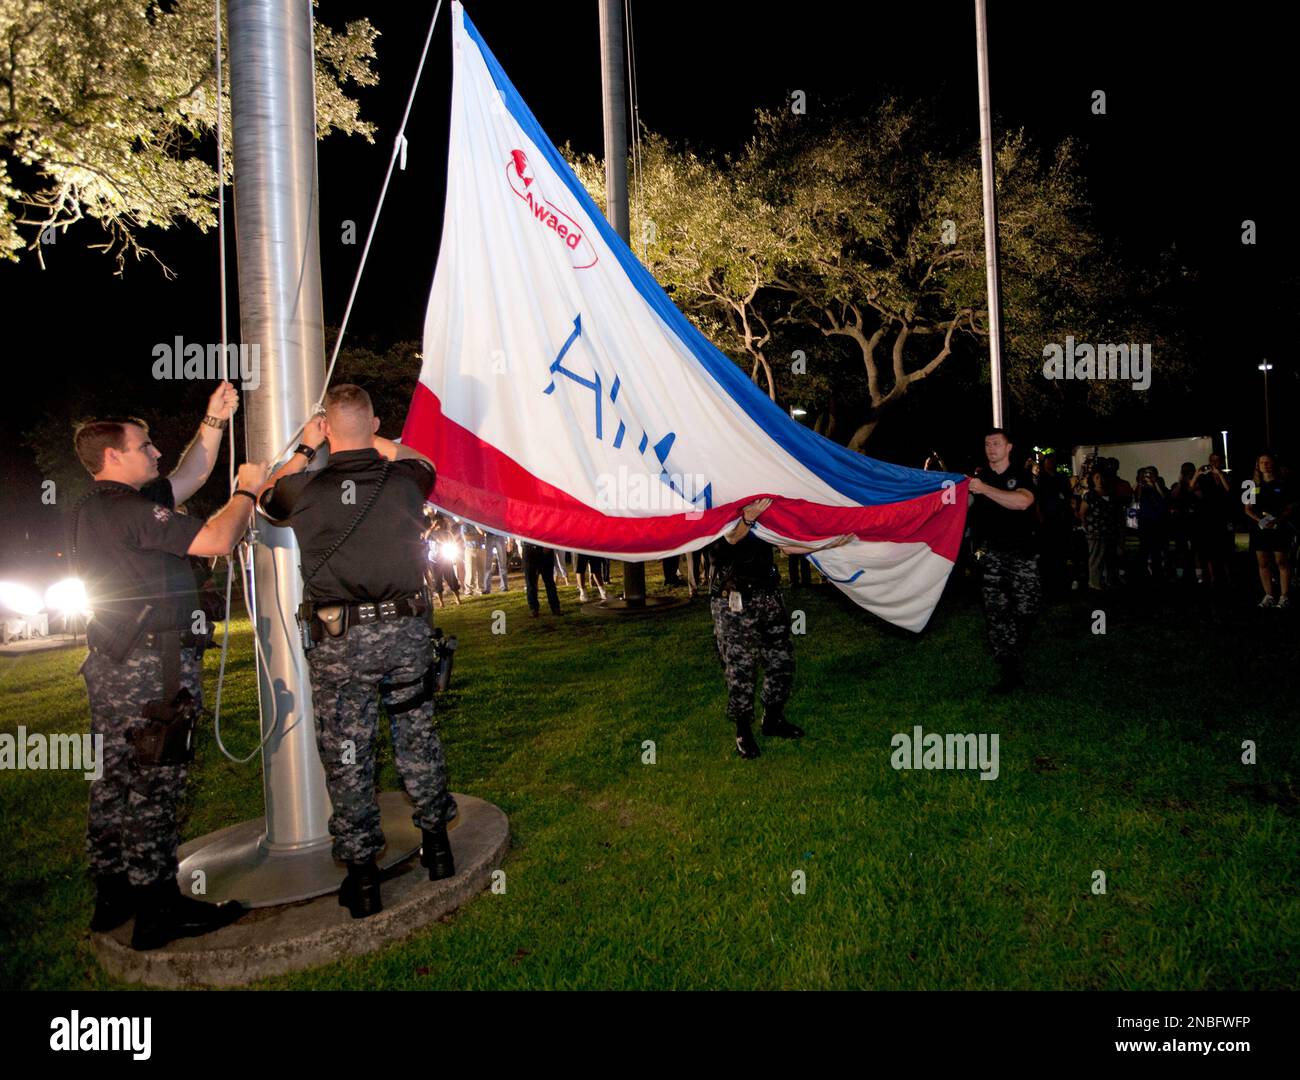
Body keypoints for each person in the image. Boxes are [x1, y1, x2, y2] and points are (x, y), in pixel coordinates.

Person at [69, 383, 262, 950]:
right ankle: (159, 909)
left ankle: (114, 894)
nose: (155, 453)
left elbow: (189, 475)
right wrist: (247, 491)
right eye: (144, 445)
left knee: (115, 777)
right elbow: (218, 539)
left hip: (113, 660)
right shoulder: (133, 512)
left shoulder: (94, 507)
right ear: (113, 456)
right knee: (156, 779)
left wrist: (214, 420)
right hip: (154, 669)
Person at [258, 384, 457, 919]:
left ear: (325, 428)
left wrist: (306, 446)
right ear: (373, 424)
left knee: (348, 755)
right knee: (417, 735)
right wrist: (376, 438)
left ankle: (364, 878)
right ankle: (438, 846)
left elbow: (264, 498)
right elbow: (424, 462)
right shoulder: (407, 480)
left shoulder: (302, 489)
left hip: (340, 640)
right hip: (406, 631)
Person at [707, 498, 852, 758]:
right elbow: (730, 538)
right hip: (734, 600)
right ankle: (743, 729)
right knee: (741, 667)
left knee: (781, 660)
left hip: (767, 596)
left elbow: (787, 547)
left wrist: (829, 542)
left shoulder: (762, 505)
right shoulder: (719, 506)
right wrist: (748, 518)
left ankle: (772, 719)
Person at [969, 429, 1039, 692]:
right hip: (991, 555)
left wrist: (985, 490)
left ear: (1009, 447)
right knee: (997, 613)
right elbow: (961, 505)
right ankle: (1009, 670)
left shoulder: (1020, 475)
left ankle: (1014, 648)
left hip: (1022, 553)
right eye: (987, 444)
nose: (991, 448)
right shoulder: (978, 478)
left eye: (996, 443)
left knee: (1027, 608)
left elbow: (1023, 502)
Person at [1245, 453, 1295, 608]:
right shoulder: (1251, 485)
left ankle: (1284, 596)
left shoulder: (1283, 484)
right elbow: (1247, 508)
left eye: (1268, 462)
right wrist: (1260, 520)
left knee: (1281, 561)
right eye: (1262, 462)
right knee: (1263, 562)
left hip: (1278, 527)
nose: (1265, 465)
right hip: (1260, 528)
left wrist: (1277, 520)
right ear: (1258, 465)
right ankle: (1269, 595)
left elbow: (1289, 507)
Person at [522, 541, 563, 616]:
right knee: (530, 582)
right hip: (529, 549)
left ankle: (555, 607)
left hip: (544, 549)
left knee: (549, 581)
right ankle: (533, 608)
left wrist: (548, 545)